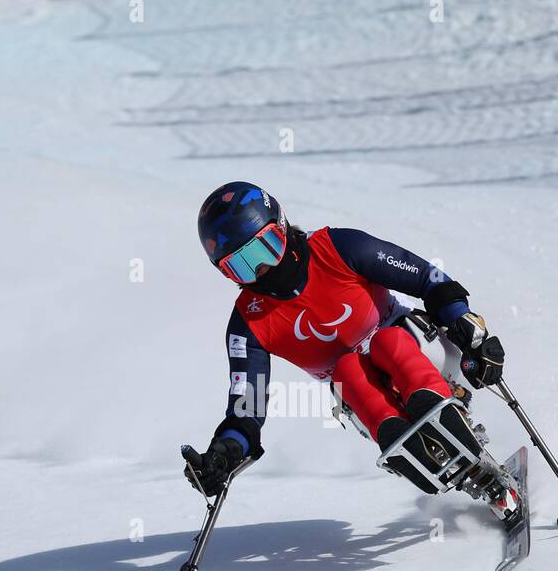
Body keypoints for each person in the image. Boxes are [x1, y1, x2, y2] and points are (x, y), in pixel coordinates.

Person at [186, 181, 505, 497]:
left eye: (265, 247)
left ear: (281, 227)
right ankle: (408, 442)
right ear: (226, 273)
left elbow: (427, 278)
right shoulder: (248, 323)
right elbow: (246, 407)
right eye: (241, 266)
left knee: (387, 342)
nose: (262, 268)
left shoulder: (338, 248)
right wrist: (225, 451)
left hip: (418, 345)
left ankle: (442, 411)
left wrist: (466, 324)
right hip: (361, 397)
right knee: (348, 370)